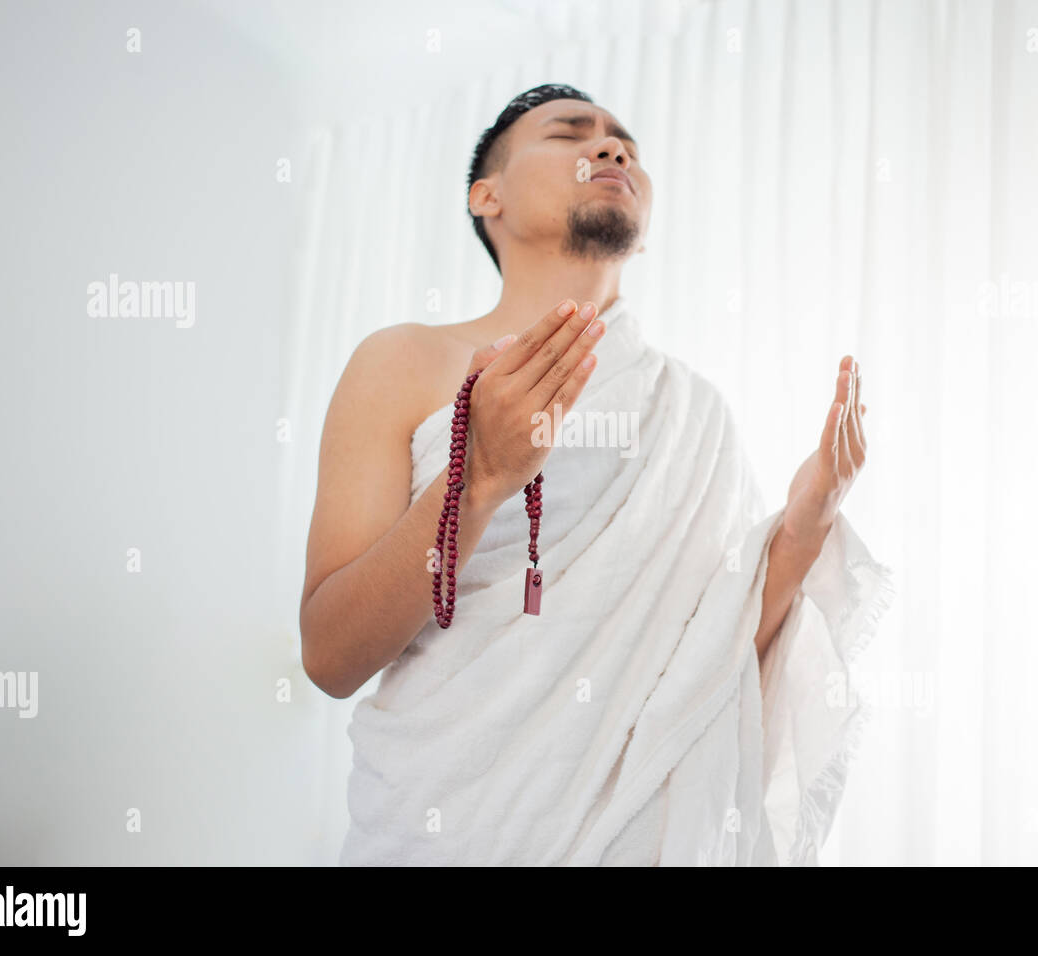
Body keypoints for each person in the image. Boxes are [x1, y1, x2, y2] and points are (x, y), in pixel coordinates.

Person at [299, 83, 894, 865]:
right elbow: (330, 656)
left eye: (626, 143)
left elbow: (714, 661)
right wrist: (476, 479)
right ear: (488, 196)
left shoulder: (693, 412)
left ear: (642, 236)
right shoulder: (403, 362)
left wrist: (807, 525)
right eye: (569, 133)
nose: (612, 149)